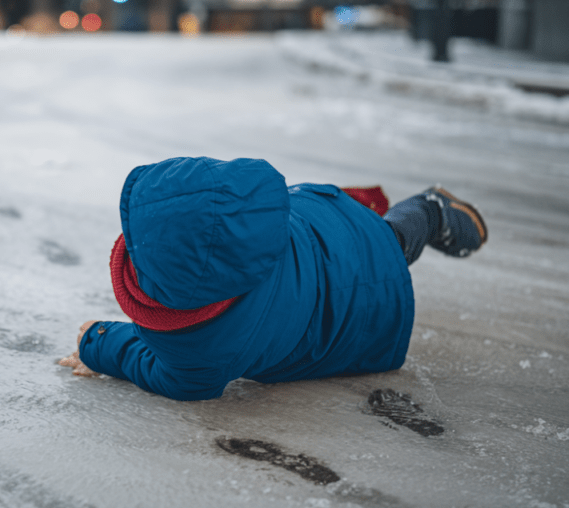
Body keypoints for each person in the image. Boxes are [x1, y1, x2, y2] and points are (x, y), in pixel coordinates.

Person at [58, 157, 487, 401]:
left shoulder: (201, 352)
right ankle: (422, 211)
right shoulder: (243, 229)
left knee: (387, 250)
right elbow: (237, 197)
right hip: (330, 227)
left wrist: (100, 342)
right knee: (385, 241)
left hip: (357, 308)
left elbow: (168, 375)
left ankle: (430, 210)